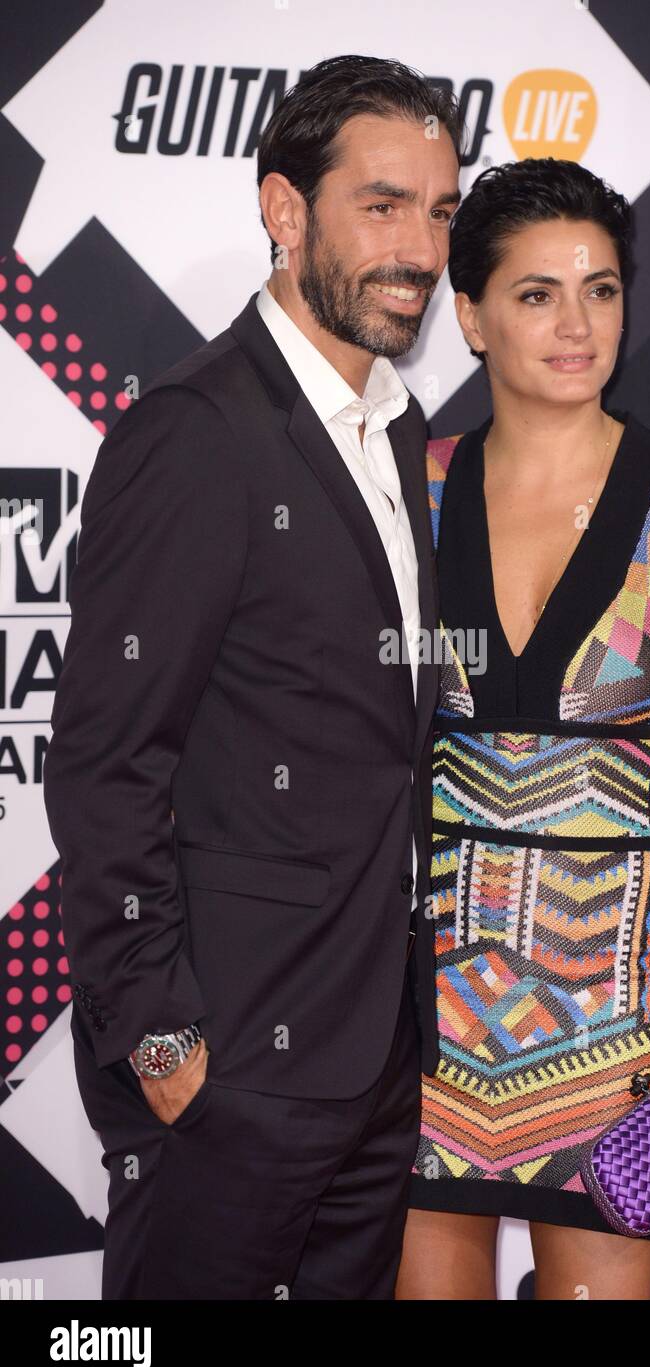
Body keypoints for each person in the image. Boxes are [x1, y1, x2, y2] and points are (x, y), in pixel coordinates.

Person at [42, 54, 463, 1301]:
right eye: (381, 206)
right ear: (284, 211)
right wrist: (164, 1044)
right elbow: (106, 763)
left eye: (439, 212)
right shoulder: (196, 429)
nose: (423, 252)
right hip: (229, 1067)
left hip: (375, 1053)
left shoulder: (395, 423)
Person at [397, 158, 650, 1300]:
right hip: (416, 1043)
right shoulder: (402, 488)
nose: (576, 324)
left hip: (631, 1045)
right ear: (467, 313)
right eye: (535, 293)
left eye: (600, 289)